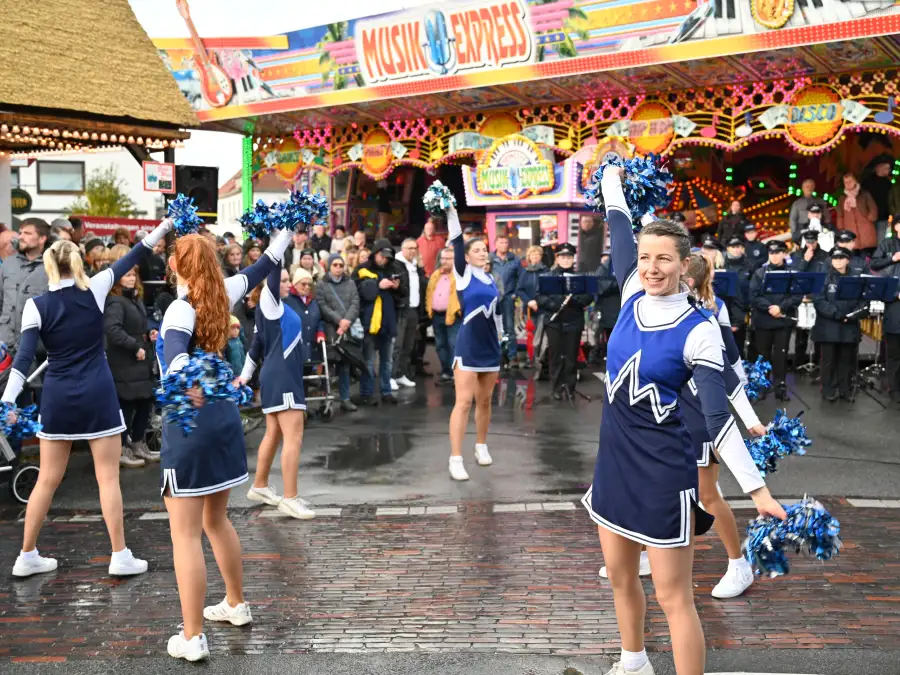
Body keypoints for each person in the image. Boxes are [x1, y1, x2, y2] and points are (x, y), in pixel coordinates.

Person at [583, 168, 785, 675]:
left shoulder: (699, 330)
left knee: (675, 597)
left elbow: (717, 418)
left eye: (663, 259)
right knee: (621, 578)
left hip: (661, 473)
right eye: (646, 257)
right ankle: (633, 661)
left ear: (683, 264)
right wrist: (610, 172)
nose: (651, 267)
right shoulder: (630, 290)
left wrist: (758, 491)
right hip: (613, 464)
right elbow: (619, 221)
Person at [4, 218, 171, 579]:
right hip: (98, 392)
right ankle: (119, 554)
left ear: (48, 266)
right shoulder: (95, 288)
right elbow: (135, 256)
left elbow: (22, 360)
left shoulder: (36, 306)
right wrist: (165, 225)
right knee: (107, 478)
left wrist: (6, 400)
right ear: (78, 263)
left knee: (47, 478)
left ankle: (26, 554)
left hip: (58, 396)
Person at [157, 226, 292, 661]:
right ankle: (235, 603)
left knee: (184, 535)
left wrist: (191, 383)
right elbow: (267, 262)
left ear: (175, 266)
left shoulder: (180, 308)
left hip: (193, 422)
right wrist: (287, 226)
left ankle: (192, 636)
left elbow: (176, 356)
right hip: (225, 420)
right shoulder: (224, 290)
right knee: (216, 519)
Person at [678, 254, 768, 599]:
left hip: (700, 418)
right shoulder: (655, 311)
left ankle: (738, 563)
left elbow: (730, 368)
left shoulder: (705, 318)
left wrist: (748, 418)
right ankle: (646, 552)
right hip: (665, 419)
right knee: (657, 485)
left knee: (706, 494)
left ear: (686, 281)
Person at [241, 266, 315, 520]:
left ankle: (260, 486)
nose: (286, 284)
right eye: (282, 281)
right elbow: (273, 269)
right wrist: (279, 234)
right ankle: (290, 498)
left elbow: (255, 348)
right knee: (293, 437)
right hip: (283, 377)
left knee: (273, 434)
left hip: (275, 376)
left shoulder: (268, 310)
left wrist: (244, 376)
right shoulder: (270, 304)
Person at [445, 205, 501, 482]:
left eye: (484, 249)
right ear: (467, 257)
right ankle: (456, 458)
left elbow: (498, 314)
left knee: (486, 400)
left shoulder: (490, 279)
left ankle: (481, 445)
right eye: (477, 250)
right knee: (464, 402)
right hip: (468, 346)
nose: (482, 253)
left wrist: (504, 340)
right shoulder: (463, 274)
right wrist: (450, 211)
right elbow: (456, 240)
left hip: (491, 346)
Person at [104, 263, 159, 467]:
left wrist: (148, 335)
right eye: (126, 275)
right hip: (125, 362)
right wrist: (135, 346)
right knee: (126, 406)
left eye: (133, 274)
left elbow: (136, 326)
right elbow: (113, 330)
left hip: (141, 362)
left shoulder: (134, 299)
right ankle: (121, 448)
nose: (131, 278)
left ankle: (137, 443)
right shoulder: (115, 302)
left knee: (144, 403)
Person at [536, 243, 591, 399]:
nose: (566, 260)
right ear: (557, 258)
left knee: (571, 356)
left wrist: (575, 301)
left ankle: (570, 387)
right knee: (555, 356)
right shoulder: (547, 276)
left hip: (574, 321)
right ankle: (557, 388)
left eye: (569, 257)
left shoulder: (581, 277)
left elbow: (589, 297)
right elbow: (539, 297)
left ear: (573, 258)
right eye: (563, 257)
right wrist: (553, 304)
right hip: (554, 322)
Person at [353, 239, 404, 406]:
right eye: (382, 256)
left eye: (387, 257)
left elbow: (404, 295)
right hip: (369, 321)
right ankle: (366, 393)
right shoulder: (362, 270)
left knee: (386, 360)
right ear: (375, 253)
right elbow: (359, 292)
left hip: (388, 321)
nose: (384, 259)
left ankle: (386, 391)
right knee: (367, 359)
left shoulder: (394, 269)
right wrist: (378, 285)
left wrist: (398, 287)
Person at [813, 247, 868, 402]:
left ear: (847, 260)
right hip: (829, 325)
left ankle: (845, 389)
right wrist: (836, 314)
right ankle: (828, 389)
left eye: (841, 258)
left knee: (846, 359)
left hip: (849, 325)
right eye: (835, 258)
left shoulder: (857, 278)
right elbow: (819, 301)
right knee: (828, 360)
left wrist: (852, 315)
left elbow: (863, 301)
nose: (837, 260)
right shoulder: (823, 277)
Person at [750, 240, 799, 401]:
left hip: (783, 321)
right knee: (762, 355)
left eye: (777, 252)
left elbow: (797, 296)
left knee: (781, 357)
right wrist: (771, 307)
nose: (774, 256)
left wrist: (781, 308)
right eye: (771, 253)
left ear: (784, 253)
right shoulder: (759, 273)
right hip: (764, 320)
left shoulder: (792, 273)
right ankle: (762, 388)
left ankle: (780, 389)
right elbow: (754, 296)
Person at [316, 253, 360, 412]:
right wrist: (339, 320)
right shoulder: (321, 284)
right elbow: (322, 305)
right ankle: (324, 398)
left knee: (345, 365)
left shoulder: (350, 284)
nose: (338, 268)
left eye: (341, 265)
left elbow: (355, 303)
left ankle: (345, 398)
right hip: (329, 329)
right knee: (326, 365)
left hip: (346, 330)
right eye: (335, 265)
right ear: (329, 266)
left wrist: (346, 321)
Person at [0, 218, 49, 353]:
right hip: (5, 347)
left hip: (38, 349)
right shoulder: (7, 265)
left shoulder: (53, 268)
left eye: (27, 233)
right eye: (20, 233)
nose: (21, 237)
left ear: (42, 238)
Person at [868, 216, 900, 406]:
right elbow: (874, 264)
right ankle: (894, 389)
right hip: (894, 302)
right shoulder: (888, 244)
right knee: (894, 350)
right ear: (896, 227)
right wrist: (893, 257)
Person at [426, 247, 461, 385]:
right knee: (440, 345)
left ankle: (455, 374)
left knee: (453, 345)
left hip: (453, 315)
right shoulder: (435, 274)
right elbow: (429, 293)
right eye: (443, 258)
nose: (444, 261)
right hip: (437, 315)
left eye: (448, 258)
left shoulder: (459, 275)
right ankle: (446, 371)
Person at [392, 238, 424, 389]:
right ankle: (391, 375)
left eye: (414, 248)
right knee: (397, 345)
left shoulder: (415, 266)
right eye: (409, 248)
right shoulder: (396, 265)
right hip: (400, 310)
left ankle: (401, 374)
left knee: (408, 345)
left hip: (413, 309)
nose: (412, 251)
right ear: (402, 249)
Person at [490, 232, 521, 370]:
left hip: (508, 298)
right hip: (492, 299)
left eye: (506, 243)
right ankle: (499, 354)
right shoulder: (489, 259)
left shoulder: (514, 259)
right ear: (495, 244)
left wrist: (515, 294)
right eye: (501, 242)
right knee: (496, 328)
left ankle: (512, 355)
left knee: (509, 328)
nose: (503, 245)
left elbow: (521, 278)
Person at [723, 237, 753, 358]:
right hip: (723, 310)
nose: (736, 249)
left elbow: (752, 289)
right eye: (733, 247)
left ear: (742, 248)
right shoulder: (721, 263)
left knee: (739, 347)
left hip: (742, 311)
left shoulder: (749, 265)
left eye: (738, 247)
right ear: (728, 248)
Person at [286, 268, 326, 361]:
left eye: (309, 284)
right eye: (303, 284)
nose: (307, 287)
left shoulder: (313, 301)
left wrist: (320, 332)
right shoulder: (287, 300)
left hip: (312, 349)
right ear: (295, 285)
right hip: (294, 351)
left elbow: (320, 319)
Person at [836, 172, 878, 255]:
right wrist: (841, 226)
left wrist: (870, 218)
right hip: (850, 229)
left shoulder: (864, 194)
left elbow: (873, 208)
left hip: (866, 228)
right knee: (853, 256)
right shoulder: (842, 198)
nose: (848, 184)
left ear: (855, 181)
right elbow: (840, 213)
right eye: (846, 182)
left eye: (850, 181)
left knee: (868, 256)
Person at [863, 156, 893, 244]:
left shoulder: (888, 183)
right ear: (879, 168)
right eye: (887, 168)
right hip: (869, 218)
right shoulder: (867, 182)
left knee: (881, 241)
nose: (889, 170)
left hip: (883, 217)